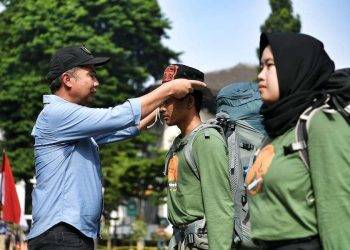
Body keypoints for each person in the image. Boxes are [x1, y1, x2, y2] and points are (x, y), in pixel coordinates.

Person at [26, 46, 205, 250]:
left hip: (67, 234)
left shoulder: (74, 128)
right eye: (91, 76)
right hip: (60, 234)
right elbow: (116, 116)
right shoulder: (57, 114)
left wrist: (160, 106)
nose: (96, 83)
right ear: (67, 80)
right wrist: (169, 90)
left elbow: (121, 129)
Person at [245, 32, 350, 249]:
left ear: (294, 67)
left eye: (270, 65)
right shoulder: (275, 132)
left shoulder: (320, 122)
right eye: (261, 66)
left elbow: (338, 213)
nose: (260, 76)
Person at [160, 64, 233, 249]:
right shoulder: (179, 142)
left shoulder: (206, 141)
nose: (161, 107)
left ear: (190, 102)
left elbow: (220, 207)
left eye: (168, 100)